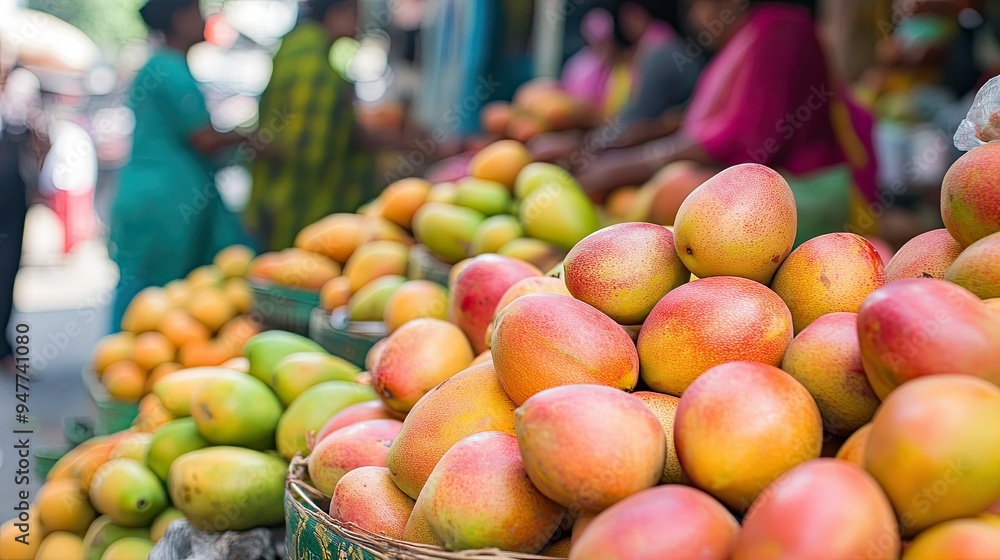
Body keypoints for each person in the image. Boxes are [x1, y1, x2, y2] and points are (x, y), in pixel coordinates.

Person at [575, 0, 879, 243]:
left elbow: (747, 138)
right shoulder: (746, 38)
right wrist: (618, 145)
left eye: (697, 4)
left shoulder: (782, 27)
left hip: (804, 194)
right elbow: (693, 123)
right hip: (766, 192)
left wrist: (630, 164)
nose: (694, 16)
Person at [110, 0, 248, 330]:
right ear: (180, 18)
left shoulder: (162, 66)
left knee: (153, 297)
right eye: (198, 12)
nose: (205, 19)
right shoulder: (168, 69)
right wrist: (250, 137)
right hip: (164, 203)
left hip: (155, 197)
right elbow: (203, 137)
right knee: (147, 301)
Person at [246, 0, 380, 252]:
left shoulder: (294, 46)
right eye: (356, 15)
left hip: (273, 193)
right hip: (297, 199)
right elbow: (307, 147)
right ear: (337, 12)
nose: (361, 26)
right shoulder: (314, 65)